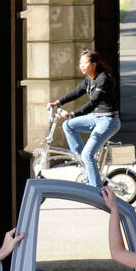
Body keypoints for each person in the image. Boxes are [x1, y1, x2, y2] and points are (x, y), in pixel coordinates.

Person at [49, 49, 120, 190]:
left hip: (108, 121)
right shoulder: (89, 79)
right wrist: (58, 102)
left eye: (85, 63)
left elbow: (93, 103)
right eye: (80, 63)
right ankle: (84, 162)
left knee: (88, 154)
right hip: (96, 117)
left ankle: (97, 192)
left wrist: (73, 114)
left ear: (94, 64)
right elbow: (76, 92)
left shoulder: (103, 80)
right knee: (68, 125)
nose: (81, 66)